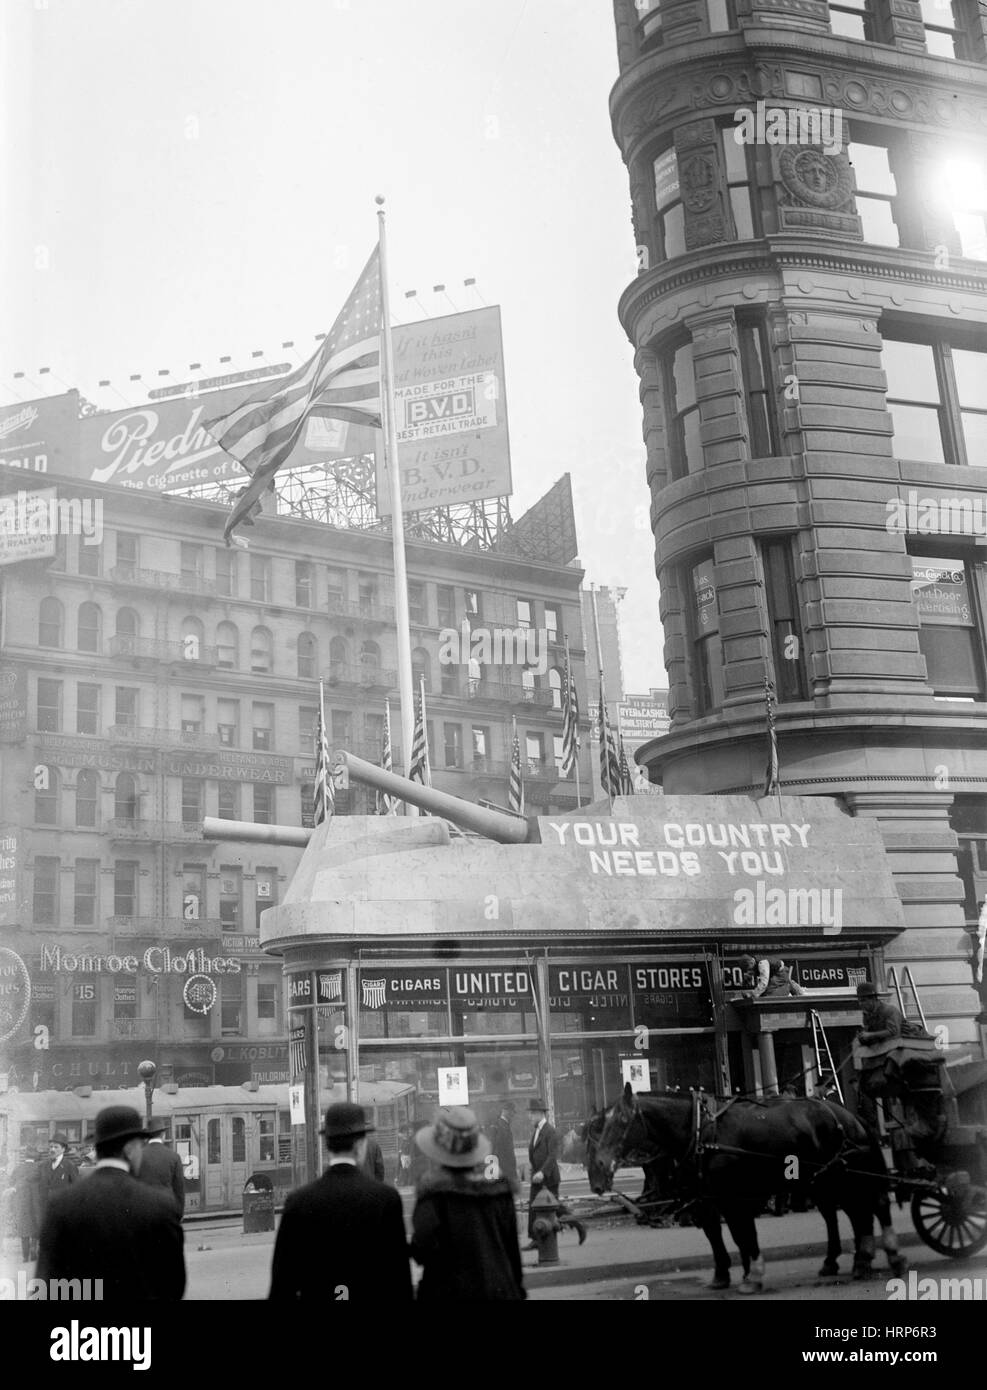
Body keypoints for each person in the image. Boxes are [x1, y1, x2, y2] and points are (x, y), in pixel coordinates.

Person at [36, 1106, 186, 1300]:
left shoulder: (60, 1204)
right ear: (130, 1149)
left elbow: (45, 1287)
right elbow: (173, 1286)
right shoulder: (161, 1205)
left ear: (98, 1148)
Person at [268, 1103, 411, 1302]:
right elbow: (399, 1280)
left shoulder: (299, 1201)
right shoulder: (386, 1199)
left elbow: (282, 1285)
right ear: (361, 1145)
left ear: (327, 1145)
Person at [410, 1107, 525, 1301]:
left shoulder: (434, 1193)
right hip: (498, 1289)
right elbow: (512, 1250)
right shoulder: (500, 1192)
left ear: (440, 1148)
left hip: (447, 1291)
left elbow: (422, 1248)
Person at [523, 1098, 560, 1249]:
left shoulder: (549, 1131)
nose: (529, 1116)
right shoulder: (537, 1131)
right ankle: (535, 1239)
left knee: (550, 1210)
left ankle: (547, 1240)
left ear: (539, 1113)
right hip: (537, 1177)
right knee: (533, 1207)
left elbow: (552, 1156)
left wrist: (543, 1172)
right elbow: (534, 1152)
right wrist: (532, 1168)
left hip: (548, 1178)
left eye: (531, 1113)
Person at [136, 1123, 186, 1217]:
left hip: (144, 1211)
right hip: (166, 1210)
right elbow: (179, 1189)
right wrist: (179, 1213)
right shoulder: (174, 1156)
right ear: (163, 1134)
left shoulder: (138, 1156)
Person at [8, 1148, 42, 1262]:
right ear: (35, 1158)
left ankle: (25, 1255)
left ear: (25, 1157)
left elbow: (11, 1184)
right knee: (36, 1226)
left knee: (24, 1228)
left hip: (22, 1204)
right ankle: (33, 1250)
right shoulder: (39, 1168)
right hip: (36, 1203)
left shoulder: (17, 1169)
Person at [38, 1133, 78, 1213]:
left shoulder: (70, 1165)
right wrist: (14, 1188)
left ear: (63, 1149)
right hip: (46, 1208)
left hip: (63, 1209)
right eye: (51, 1147)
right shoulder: (43, 1165)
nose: (52, 1149)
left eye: (56, 1147)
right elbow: (30, 1178)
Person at [489, 1101, 519, 1188]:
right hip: (504, 1169)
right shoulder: (501, 1126)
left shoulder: (501, 1125)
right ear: (506, 1111)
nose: (513, 1115)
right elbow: (500, 1150)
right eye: (512, 1112)